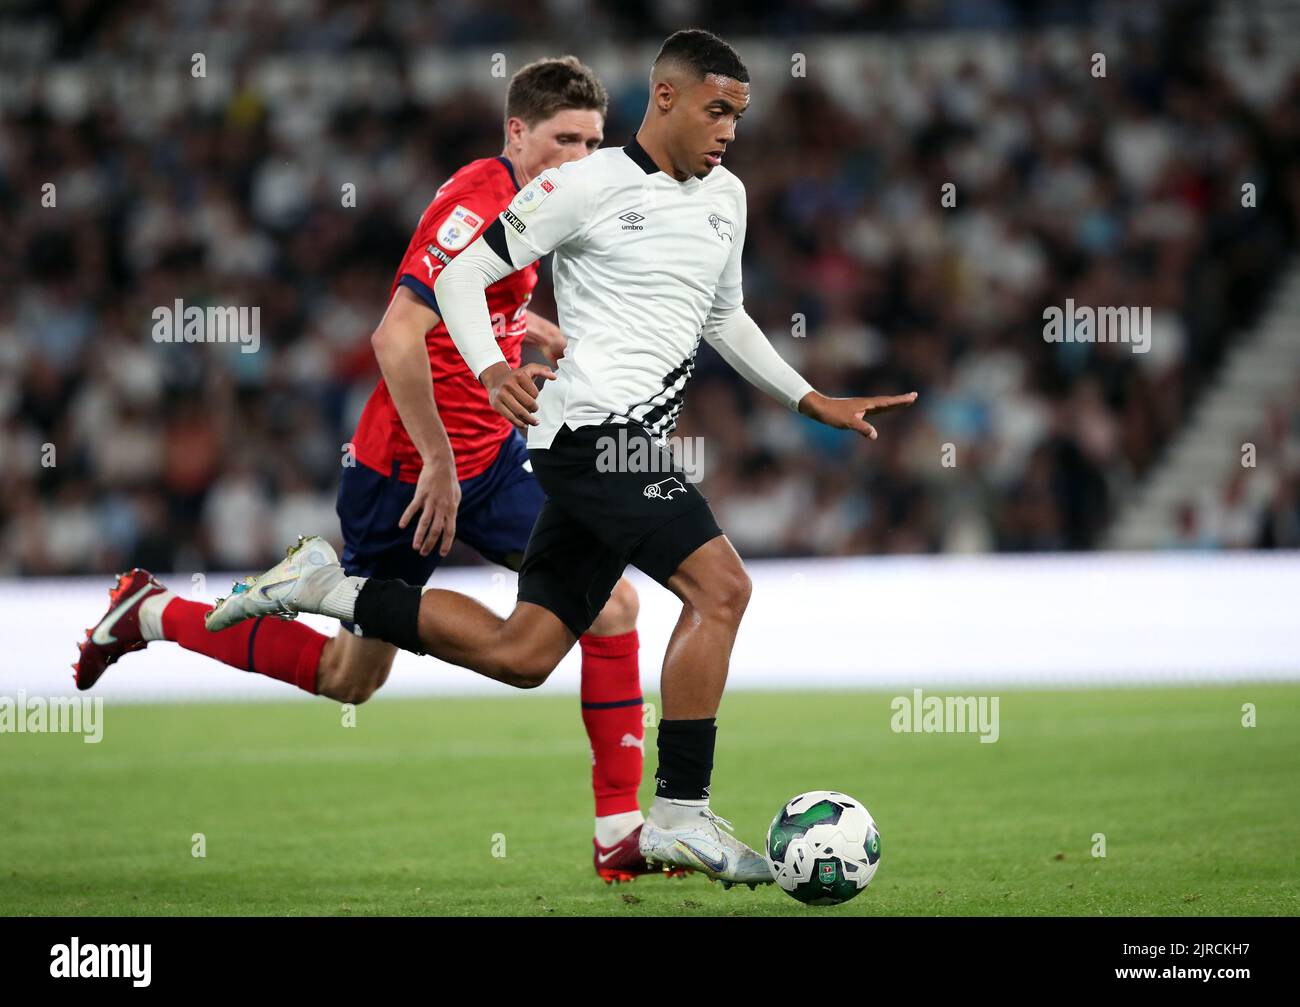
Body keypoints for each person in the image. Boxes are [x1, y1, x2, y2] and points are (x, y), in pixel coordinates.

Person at [205, 29, 916, 888]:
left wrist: (810, 398)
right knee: (722, 587)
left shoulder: (727, 197)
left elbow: (724, 319)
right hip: (589, 435)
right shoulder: (584, 186)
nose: (730, 128)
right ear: (665, 98)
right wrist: (495, 366)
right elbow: (460, 280)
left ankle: (329, 589)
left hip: (626, 439)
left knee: (525, 651)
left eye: (740, 114)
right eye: (716, 108)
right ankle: (678, 813)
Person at [74, 56, 667, 884]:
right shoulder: (477, 204)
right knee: (347, 677)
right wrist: (436, 460)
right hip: (404, 474)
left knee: (612, 603)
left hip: (490, 459)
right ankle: (160, 612)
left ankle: (618, 833)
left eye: (593, 142)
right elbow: (395, 336)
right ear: (518, 133)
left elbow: (475, 292)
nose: (581, 157)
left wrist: (520, 323)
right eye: (564, 139)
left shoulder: (531, 201)